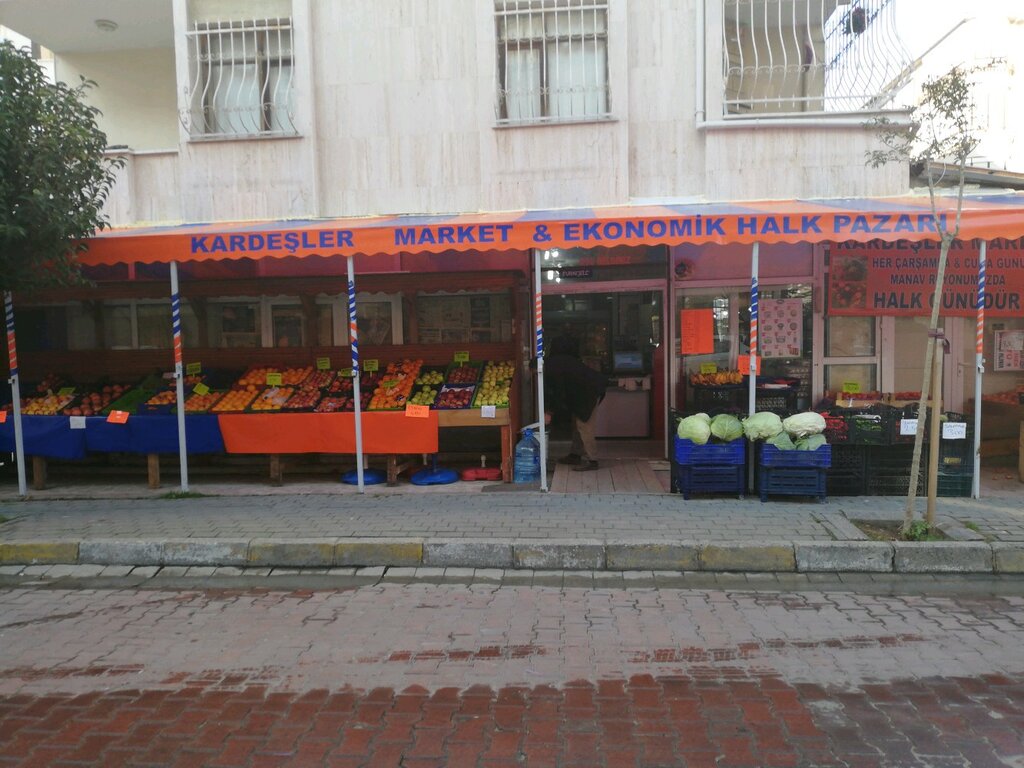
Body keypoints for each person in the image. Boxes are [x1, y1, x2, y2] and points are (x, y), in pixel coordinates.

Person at [542, 336, 608, 471]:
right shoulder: (560, 362)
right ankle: (575, 454)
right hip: (584, 392)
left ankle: (592, 460)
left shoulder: (553, 366)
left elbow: (558, 392)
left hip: (589, 393)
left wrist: (549, 412)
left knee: (584, 426)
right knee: (577, 425)